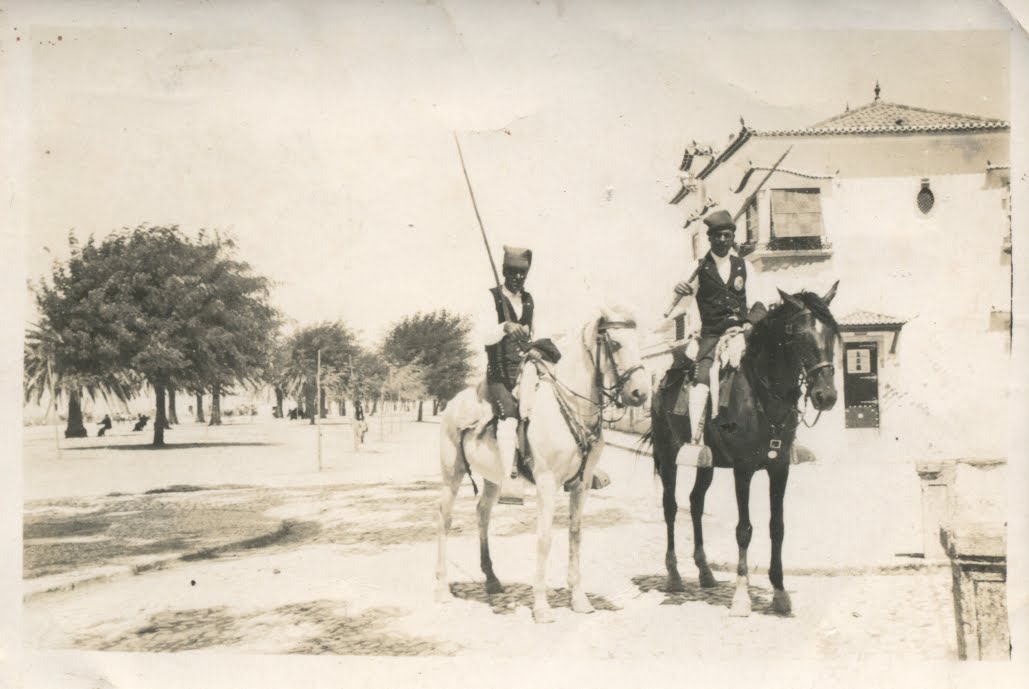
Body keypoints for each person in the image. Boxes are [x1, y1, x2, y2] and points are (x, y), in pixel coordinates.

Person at [672, 209, 772, 466]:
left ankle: (783, 440)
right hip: (711, 338)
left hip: (741, 334)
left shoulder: (744, 266)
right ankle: (696, 443)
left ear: (732, 237)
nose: (723, 240)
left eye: (727, 235)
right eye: (717, 236)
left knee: (772, 372)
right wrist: (680, 290)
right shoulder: (697, 268)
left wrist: (749, 323)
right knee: (701, 381)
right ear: (710, 238)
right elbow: (681, 306)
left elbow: (759, 304)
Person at [476, 245, 542, 487]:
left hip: (525, 370)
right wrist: (504, 327)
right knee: (510, 419)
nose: (517, 277)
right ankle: (509, 478)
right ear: (504, 271)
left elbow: (535, 332)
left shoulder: (529, 300)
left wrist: (533, 344)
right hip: (500, 375)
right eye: (512, 272)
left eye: (522, 273)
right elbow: (484, 336)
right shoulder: (491, 297)